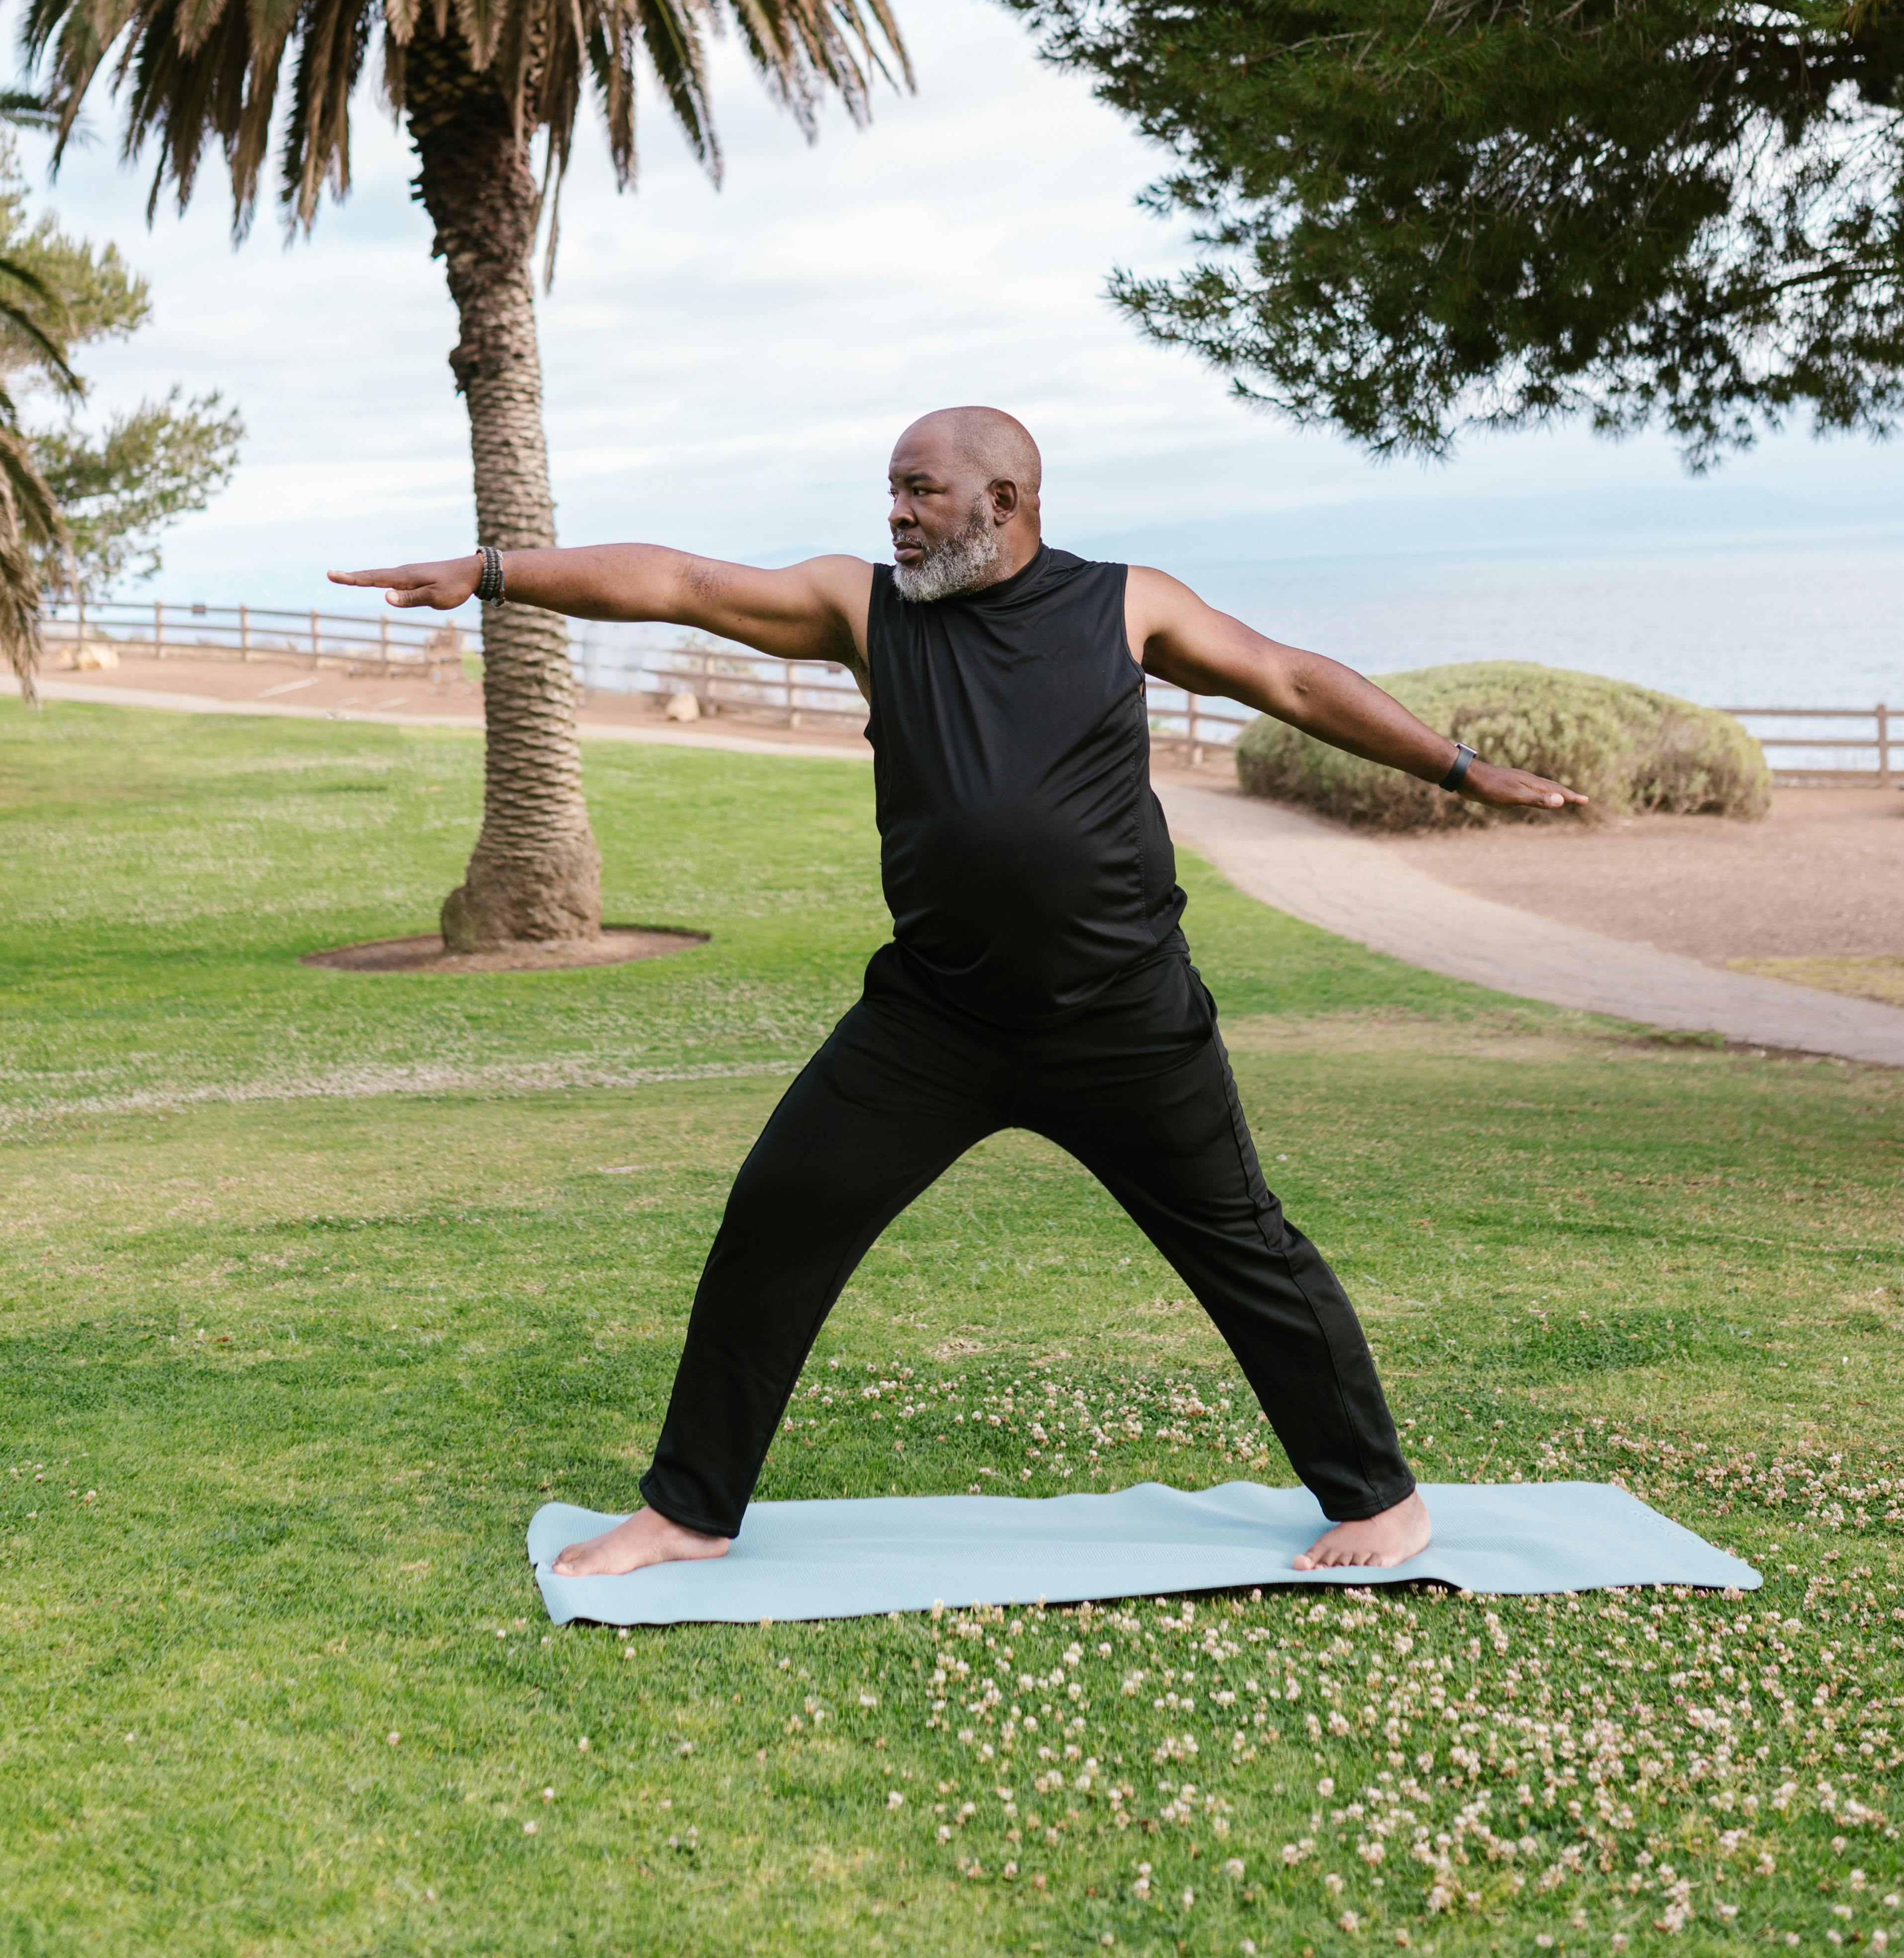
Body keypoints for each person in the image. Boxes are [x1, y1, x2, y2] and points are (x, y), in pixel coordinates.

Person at [335, 407, 1584, 1577]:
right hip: (935, 1018)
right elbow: (685, 583)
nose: (897, 514)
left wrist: (1462, 767)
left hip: (1124, 1017)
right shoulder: (865, 610)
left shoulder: (1124, 604)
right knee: (777, 1215)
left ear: (1005, 497)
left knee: (1244, 1246)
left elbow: (1292, 680)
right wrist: (489, 571)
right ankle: (688, 1507)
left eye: (919, 491)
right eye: (890, 491)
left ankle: (1378, 1495)